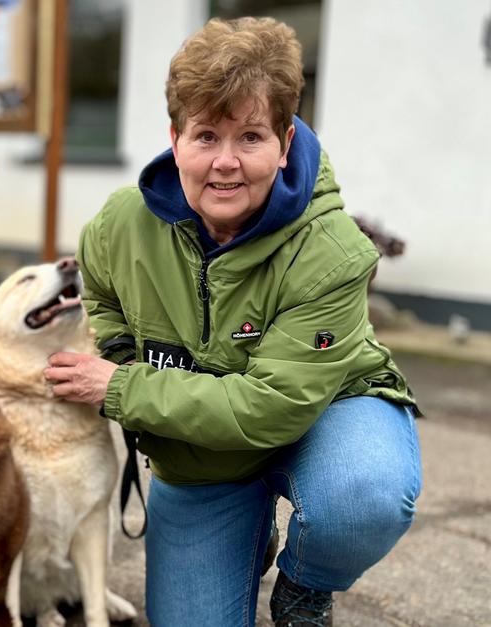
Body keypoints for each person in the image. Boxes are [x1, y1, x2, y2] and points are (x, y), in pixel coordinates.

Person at [43, 17, 422, 627]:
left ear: (285, 141)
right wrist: (117, 350)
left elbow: (274, 404)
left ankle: (306, 581)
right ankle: (246, 537)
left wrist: (118, 387)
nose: (225, 163)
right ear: (174, 139)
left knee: (362, 498)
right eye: (205, 137)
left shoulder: (333, 251)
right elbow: (104, 293)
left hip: (327, 407)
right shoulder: (120, 223)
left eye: (250, 137)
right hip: (202, 452)